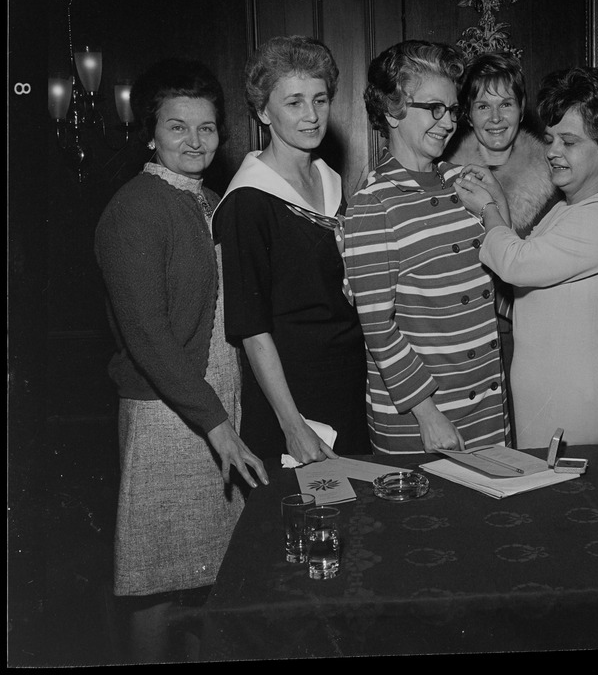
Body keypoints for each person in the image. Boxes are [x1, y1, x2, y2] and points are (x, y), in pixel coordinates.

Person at [94, 59, 268, 662]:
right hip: (168, 416)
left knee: (209, 582)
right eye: (177, 127)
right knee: (155, 586)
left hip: (219, 404)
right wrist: (216, 426)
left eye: (208, 128)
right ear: (150, 133)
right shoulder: (136, 209)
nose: (195, 141)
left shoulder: (209, 200)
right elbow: (148, 336)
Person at [455, 66, 598, 447]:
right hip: (547, 402)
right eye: (550, 139)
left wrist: (489, 206)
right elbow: (521, 269)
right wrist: (498, 196)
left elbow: (516, 263)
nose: (553, 152)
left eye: (569, 142)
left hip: (579, 405)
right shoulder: (569, 209)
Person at [343, 39, 510, 454]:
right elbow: (378, 327)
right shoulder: (372, 203)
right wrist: (428, 414)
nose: (448, 122)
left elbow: (502, 280)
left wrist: (498, 205)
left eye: (452, 110)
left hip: (487, 404)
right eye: (434, 108)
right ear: (391, 109)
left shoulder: (464, 181)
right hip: (425, 417)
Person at [213, 36, 371, 463]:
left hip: (350, 383)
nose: (312, 116)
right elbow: (251, 327)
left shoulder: (332, 181)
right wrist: (292, 424)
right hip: (292, 395)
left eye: (320, 100)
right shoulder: (248, 200)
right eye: (294, 103)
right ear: (263, 111)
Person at [442, 52, 560, 433]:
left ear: (521, 108)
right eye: (483, 105)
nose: (495, 118)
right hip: (461, 343)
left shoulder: (556, 176)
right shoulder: (443, 177)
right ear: (467, 113)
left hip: (532, 339)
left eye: (505, 104)